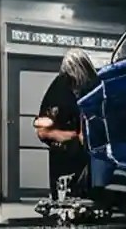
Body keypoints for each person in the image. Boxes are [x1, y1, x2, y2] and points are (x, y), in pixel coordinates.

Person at [34, 49, 98, 199]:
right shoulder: (60, 87)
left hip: (83, 156)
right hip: (67, 154)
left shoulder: (90, 86)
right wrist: (74, 136)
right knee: (66, 199)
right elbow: (43, 131)